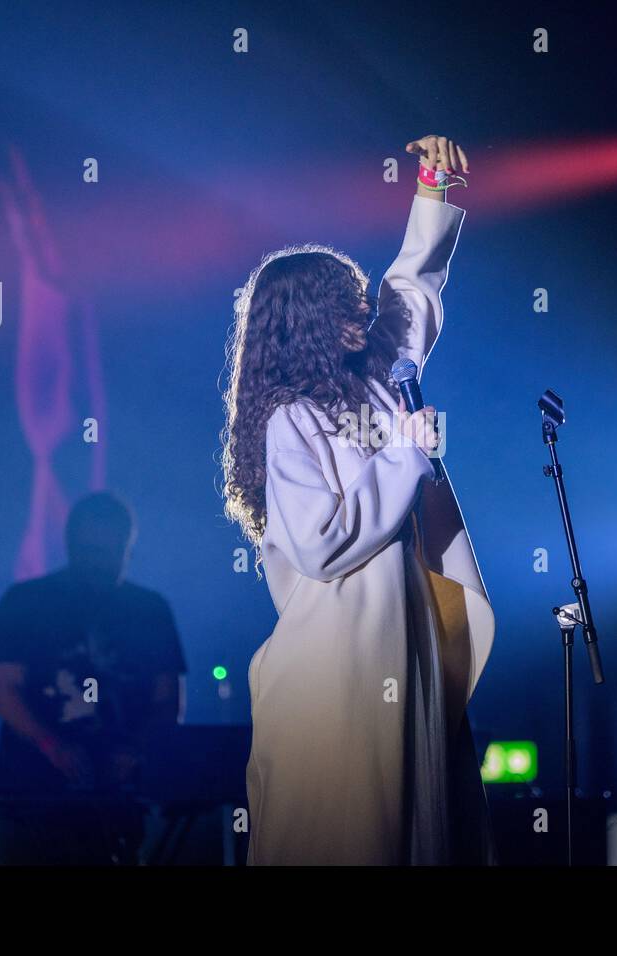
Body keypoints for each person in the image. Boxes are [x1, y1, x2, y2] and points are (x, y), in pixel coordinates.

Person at [220, 134, 496, 865]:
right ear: (306, 319)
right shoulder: (289, 422)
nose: (362, 307)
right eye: (344, 303)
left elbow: (415, 286)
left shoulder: (376, 381)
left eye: (358, 298)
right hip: (334, 668)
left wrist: (434, 183)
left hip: (401, 651)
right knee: (345, 832)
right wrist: (407, 452)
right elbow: (321, 544)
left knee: (414, 829)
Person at [0, 491, 186, 864]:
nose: (102, 564)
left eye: (112, 554)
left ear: (128, 547)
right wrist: (52, 746)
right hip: (32, 797)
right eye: (93, 553)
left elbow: (168, 700)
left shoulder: (149, 610)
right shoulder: (25, 602)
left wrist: (135, 751)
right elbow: (5, 691)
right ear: (71, 545)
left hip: (118, 799)